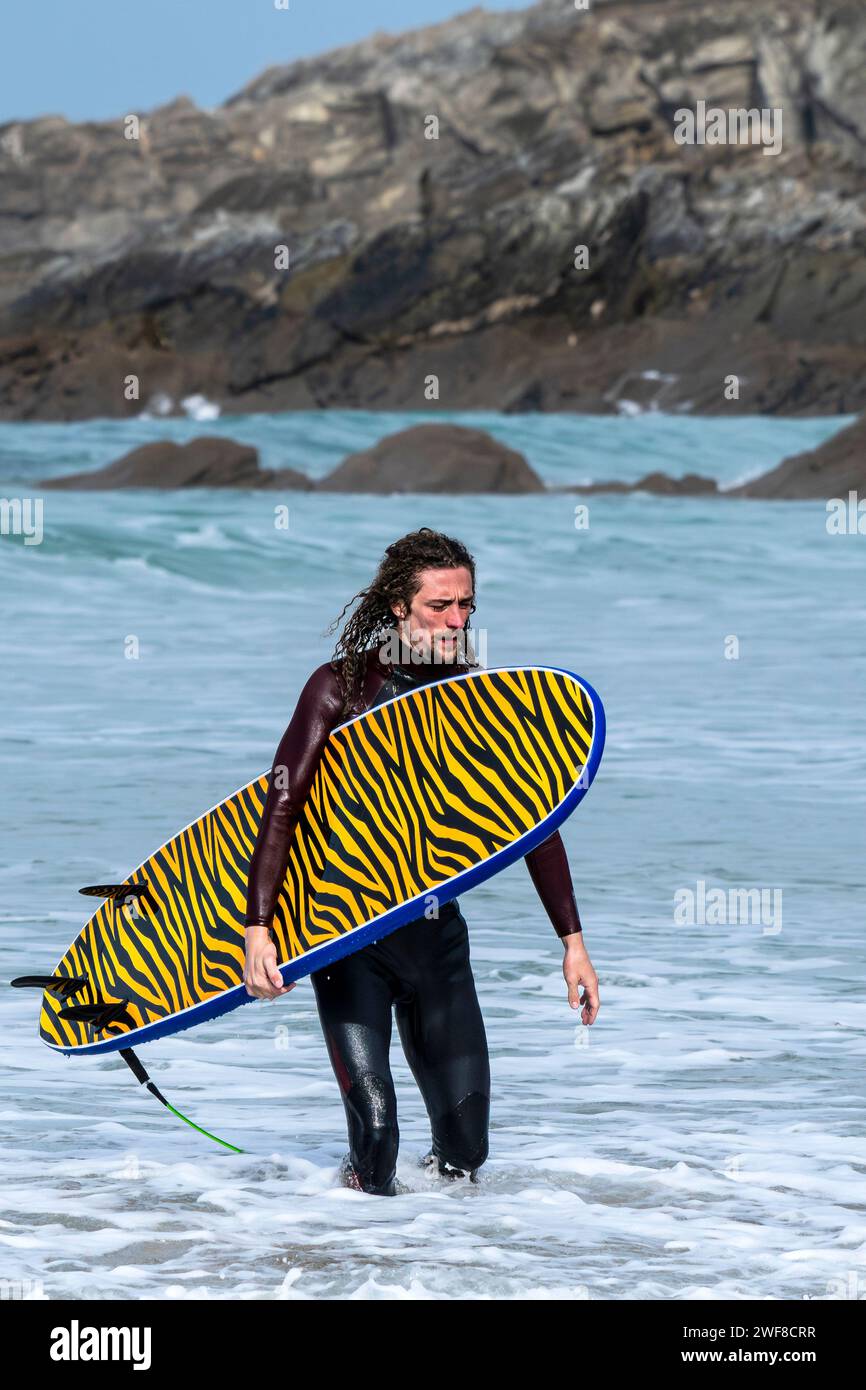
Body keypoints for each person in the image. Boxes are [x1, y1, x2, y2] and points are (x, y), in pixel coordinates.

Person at [243, 527, 600, 1195]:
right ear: (398, 605)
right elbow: (282, 803)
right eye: (440, 606)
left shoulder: (477, 700)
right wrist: (258, 928)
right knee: (377, 1141)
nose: (457, 621)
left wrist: (572, 943)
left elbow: (538, 821)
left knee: (466, 1154)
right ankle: (343, 1243)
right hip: (348, 943)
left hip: (437, 945)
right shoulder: (339, 688)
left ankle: (433, 1247)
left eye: (466, 606)